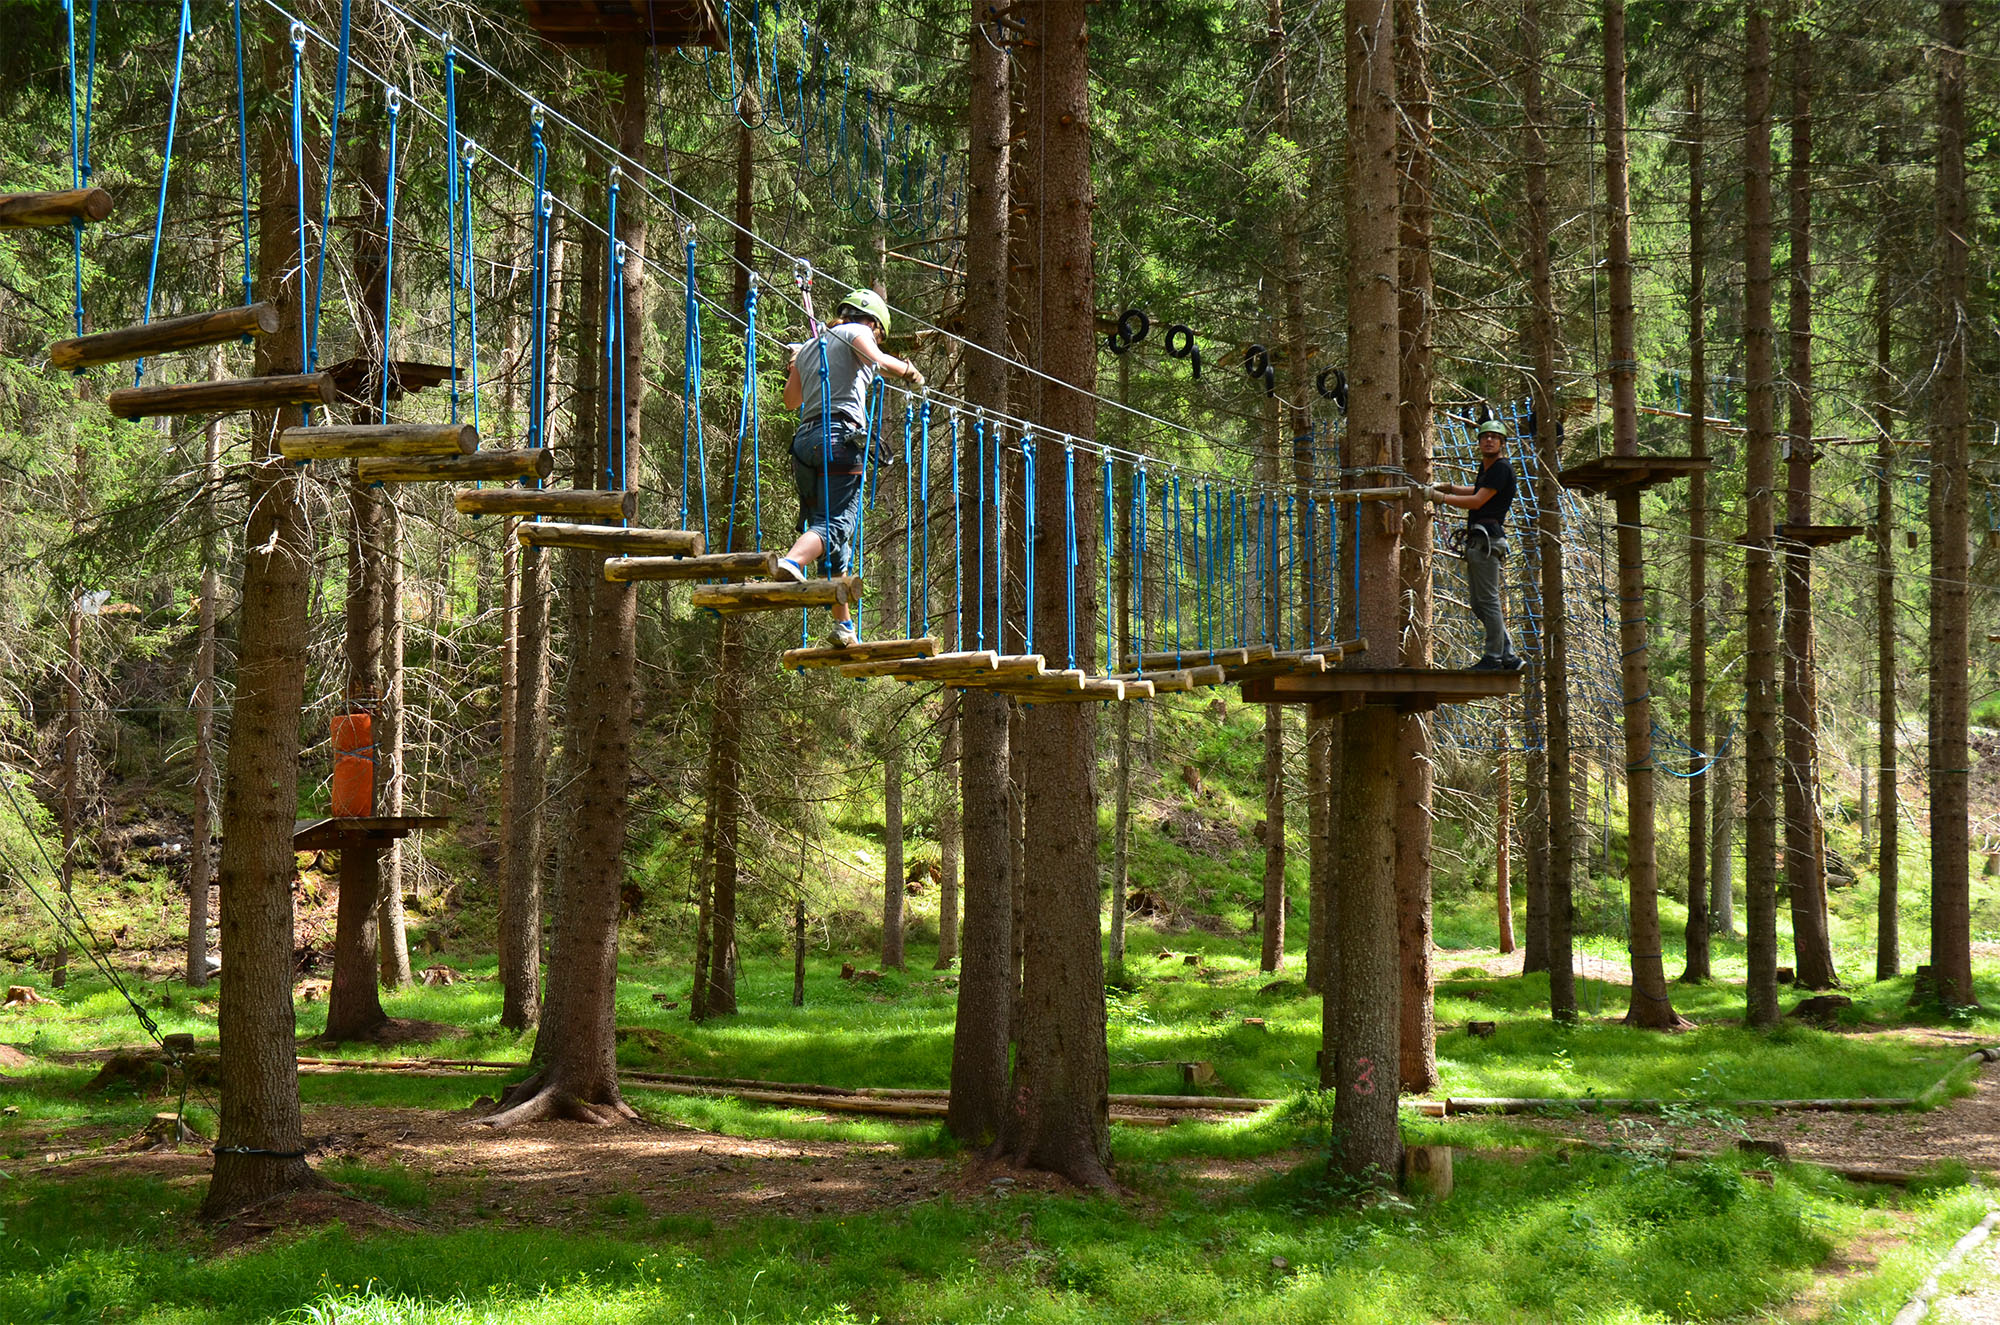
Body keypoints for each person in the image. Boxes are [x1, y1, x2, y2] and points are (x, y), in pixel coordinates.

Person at [776, 288, 924, 648]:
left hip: (805, 442)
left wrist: (796, 365)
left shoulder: (812, 346)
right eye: (878, 332)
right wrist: (910, 371)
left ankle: (844, 628)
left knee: (830, 537)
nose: (875, 338)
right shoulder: (855, 331)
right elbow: (878, 359)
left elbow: (790, 400)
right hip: (838, 437)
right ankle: (792, 561)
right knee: (836, 524)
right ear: (872, 321)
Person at [1426, 417, 1523, 671]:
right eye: (1485, 437)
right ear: (1479, 441)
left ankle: (1494, 657)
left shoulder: (1501, 468)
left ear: (1502, 443)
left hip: (1487, 541)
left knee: (1488, 601)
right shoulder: (1488, 469)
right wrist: (1450, 487)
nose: (1489, 440)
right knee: (1480, 603)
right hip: (1481, 541)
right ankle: (1508, 655)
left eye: (1494, 437)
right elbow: (1477, 489)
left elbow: (1479, 501)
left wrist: (1441, 497)